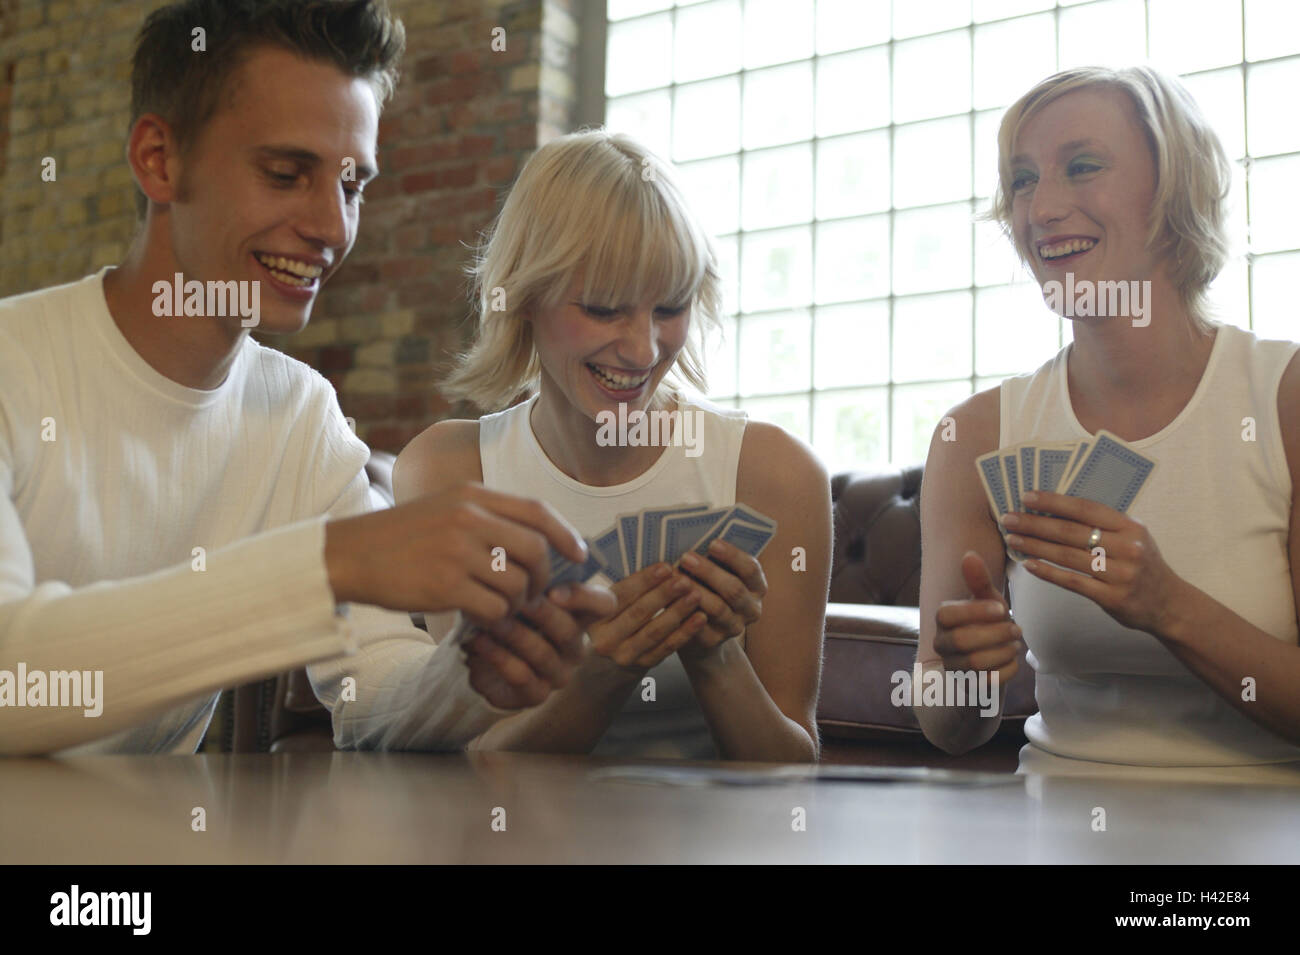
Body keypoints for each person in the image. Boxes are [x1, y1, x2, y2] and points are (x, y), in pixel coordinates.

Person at [0, 0, 615, 757]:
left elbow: (371, 686)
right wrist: (334, 562)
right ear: (159, 159)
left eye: (353, 186)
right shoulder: (13, 367)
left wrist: (472, 678)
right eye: (287, 174)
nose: (331, 226)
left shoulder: (297, 414)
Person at [393, 130, 831, 761]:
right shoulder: (447, 470)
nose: (644, 351)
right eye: (603, 309)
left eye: (669, 308)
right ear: (524, 296)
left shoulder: (773, 471)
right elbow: (476, 760)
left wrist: (715, 656)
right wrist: (603, 671)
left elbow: (792, 767)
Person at [916, 65, 1300, 779]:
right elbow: (947, 727)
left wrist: (1167, 606)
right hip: (1056, 831)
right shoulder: (974, 435)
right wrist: (968, 674)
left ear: (1174, 188)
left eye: (1082, 166)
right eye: (1023, 180)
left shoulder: (1285, 399)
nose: (1042, 209)